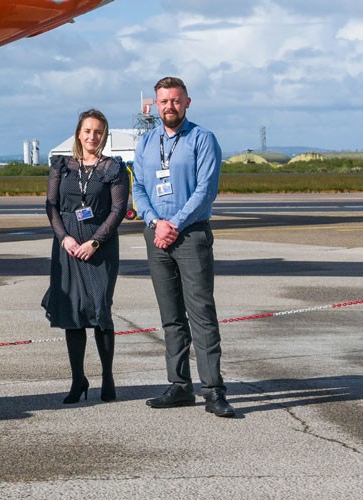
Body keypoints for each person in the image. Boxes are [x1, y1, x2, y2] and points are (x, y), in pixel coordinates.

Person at [132, 77, 234, 418]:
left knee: (201, 314)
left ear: (187, 102)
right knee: (171, 316)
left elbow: (206, 189)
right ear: (155, 105)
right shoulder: (147, 142)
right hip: (156, 235)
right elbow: (141, 188)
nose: (169, 107)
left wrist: (173, 223)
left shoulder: (202, 139)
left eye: (175, 101)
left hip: (190, 235)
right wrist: (154, 222)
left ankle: (213, 390)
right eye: (163, 101)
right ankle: (179, 385)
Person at [42, 109, 130, 404]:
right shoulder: (61, 166)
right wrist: (63, 238)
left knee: (100, 310)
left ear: (104, 136)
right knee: (73, 314)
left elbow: (118, 210)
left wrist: (95, 241)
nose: (93, 137)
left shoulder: (113, 169)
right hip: (67, 245)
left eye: (99, 132)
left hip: (99, 247)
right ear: (79, 133)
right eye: (88, 131)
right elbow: (51, 205)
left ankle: (108, 376)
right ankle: (78, 379)